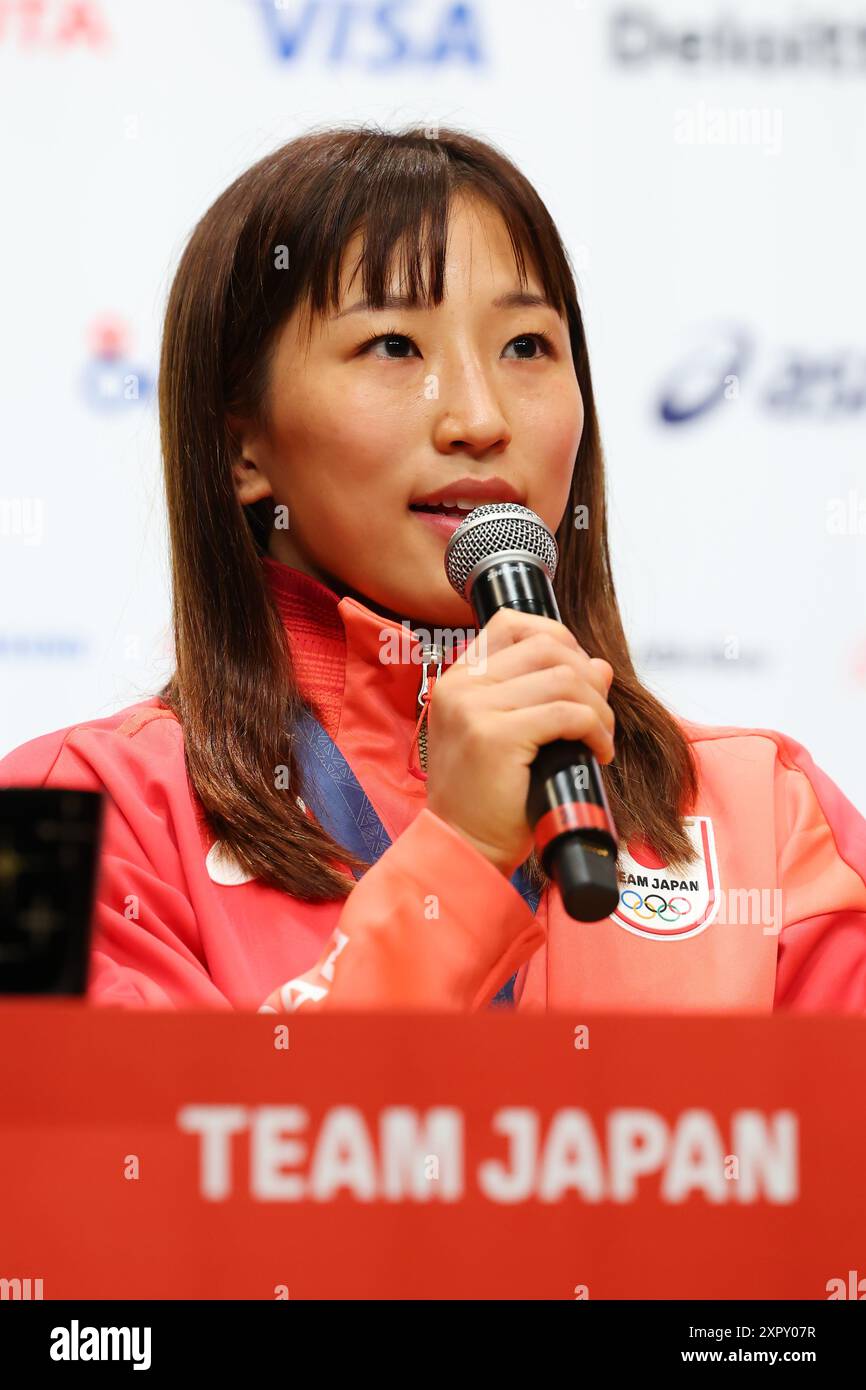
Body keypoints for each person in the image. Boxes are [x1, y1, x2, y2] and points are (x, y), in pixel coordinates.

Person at [2, 125, 865, 1013]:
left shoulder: (768, 813)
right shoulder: (62, 815)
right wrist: (454, 859)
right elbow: (131, 1154)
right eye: (393, 347)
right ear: (241, 446)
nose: (479, 417)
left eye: (526, 346)